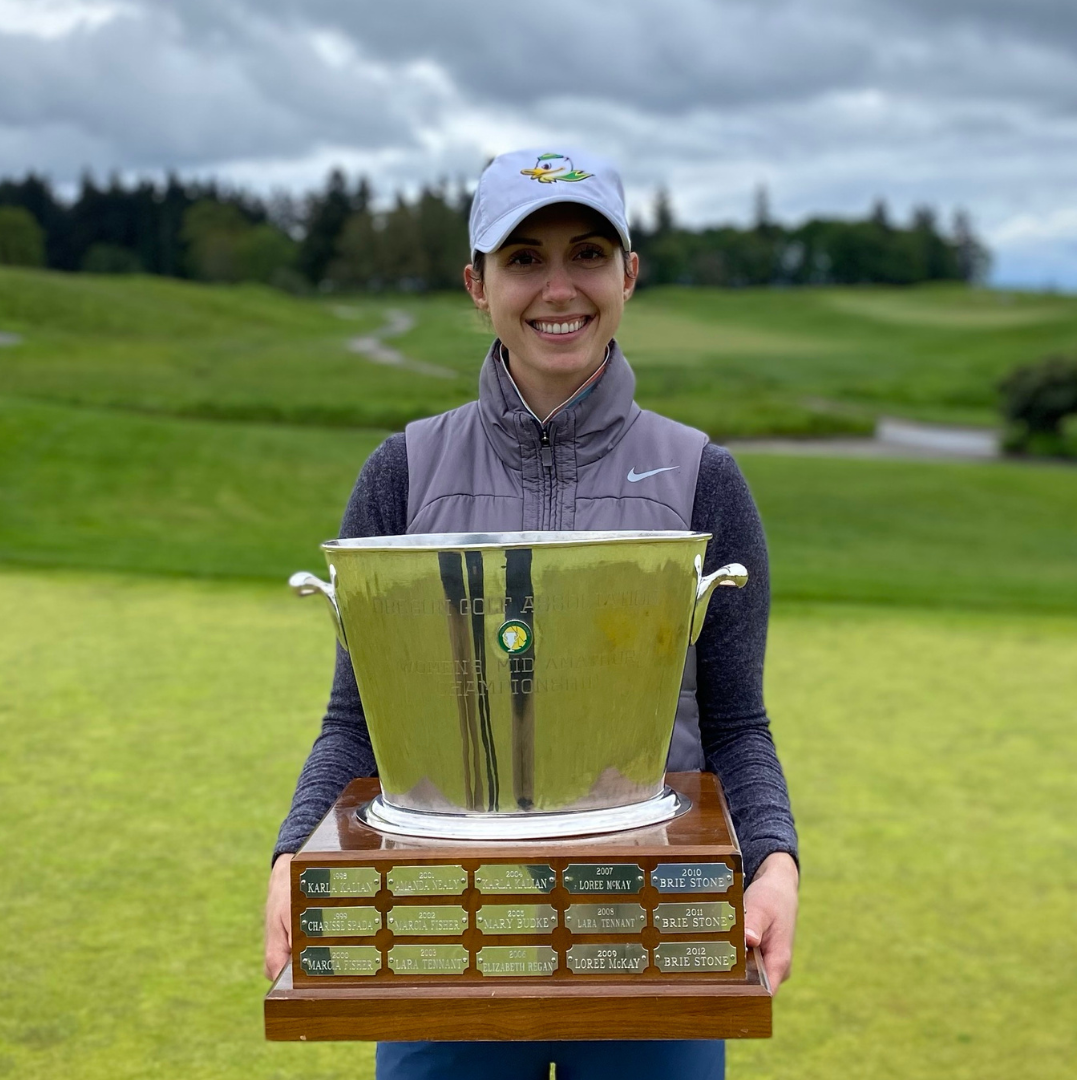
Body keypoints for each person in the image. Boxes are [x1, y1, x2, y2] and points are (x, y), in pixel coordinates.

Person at [265, 148, 799, 1080]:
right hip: (443, 928)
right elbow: (358, 720)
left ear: (628, 274)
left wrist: (776, 859)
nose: (560, 287)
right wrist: (292, 852)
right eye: (523, 259)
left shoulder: (702, 476)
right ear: (477, 283)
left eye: (587, 253)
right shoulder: (403, 472)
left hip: (654, 925)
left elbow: (736, 722)